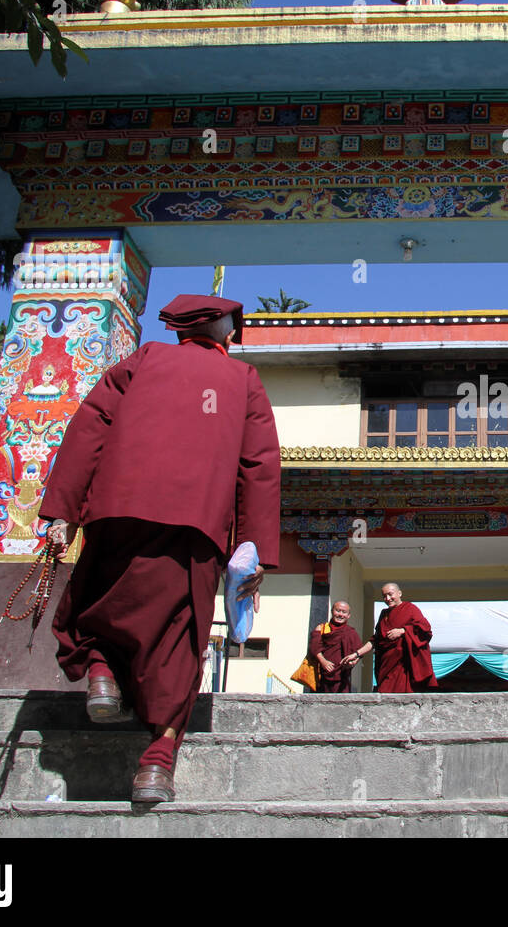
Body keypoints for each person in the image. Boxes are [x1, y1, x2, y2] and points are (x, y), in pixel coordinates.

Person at [39, 294, 280, 804]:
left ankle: (102, 672)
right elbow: (258, 465)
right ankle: (156, 762)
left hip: (116, 507)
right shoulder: (242, 381)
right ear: (218, 328)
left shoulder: (141, 360)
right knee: (178, 633)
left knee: (104, 600)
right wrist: (252, 546)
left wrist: (63, 509)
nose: (235, 336)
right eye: (233, 326)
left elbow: (89, 427)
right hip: (195, 521)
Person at [358, 582, 438, 693]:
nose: (387, 598)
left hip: (404, 665)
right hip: (386, 664)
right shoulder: (383, 614)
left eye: (390, 594)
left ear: (399, 593)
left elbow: (425, 629)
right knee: (385, 692)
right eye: (384, 596)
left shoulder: (410, 608)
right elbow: (376, 639)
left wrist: (403, 630)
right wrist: (357, 654)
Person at [308, 600, 367, 693]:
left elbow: (359, 651)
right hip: (322, 676)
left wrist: (353, 663)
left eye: (344, 612)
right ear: (332, 611)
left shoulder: (351, 632)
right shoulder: (321, 628)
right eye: (338, 610)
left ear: (348, 615)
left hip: (342, 678)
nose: (340, 614)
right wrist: (323, 662)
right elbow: (314, 648)